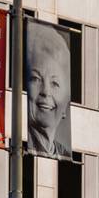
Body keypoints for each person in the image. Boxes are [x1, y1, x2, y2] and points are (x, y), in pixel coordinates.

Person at [24, 20, 74, 158]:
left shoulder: (63, 152)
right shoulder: (20, 143)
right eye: (36, 79)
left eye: (55, 83)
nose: (46, 92)